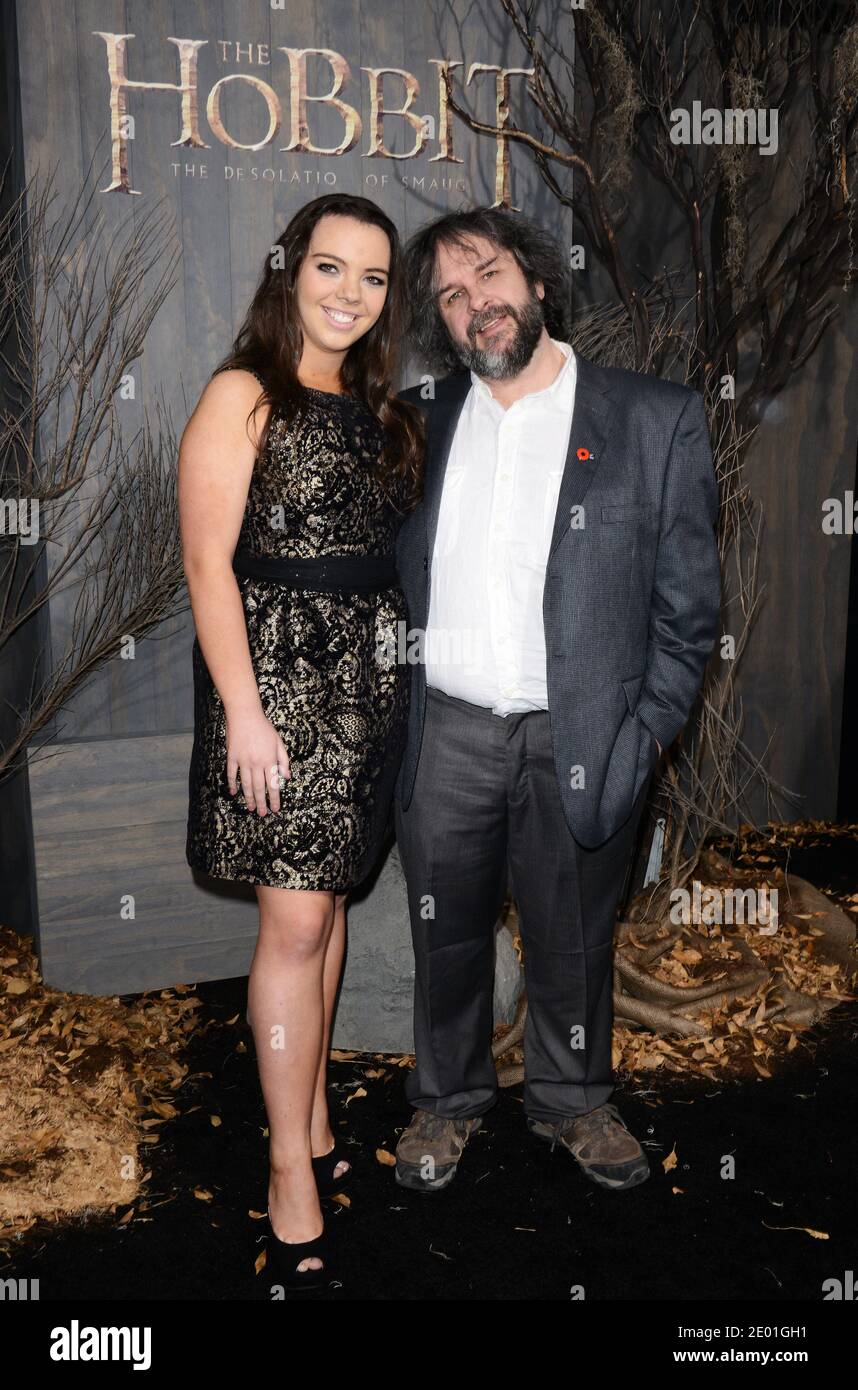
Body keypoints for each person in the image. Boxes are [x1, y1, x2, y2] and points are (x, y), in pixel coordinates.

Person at [392, 205, 721, 1193]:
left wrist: (642, 736)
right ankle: (444, 1104)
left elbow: (690, 613)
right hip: (445, 727)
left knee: (573, 936)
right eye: (450, 294)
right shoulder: (420, 419)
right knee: (444, 935)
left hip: (580, 734)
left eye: (487, 276)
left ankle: (572, 1100)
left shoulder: (654, 419)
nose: (472, 304)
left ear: (539, 282)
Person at [179, 193, 424, 1288]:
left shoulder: (377, 406)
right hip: (279, 689)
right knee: (292, 924)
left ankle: (315, 1109)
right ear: (292, 270)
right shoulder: (244, 393)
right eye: (332, 269)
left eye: (373, 279)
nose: (350, 295)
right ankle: (289, 1170)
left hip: (369, 689)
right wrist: (242, 708)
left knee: (325, 912)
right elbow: (204, 565)